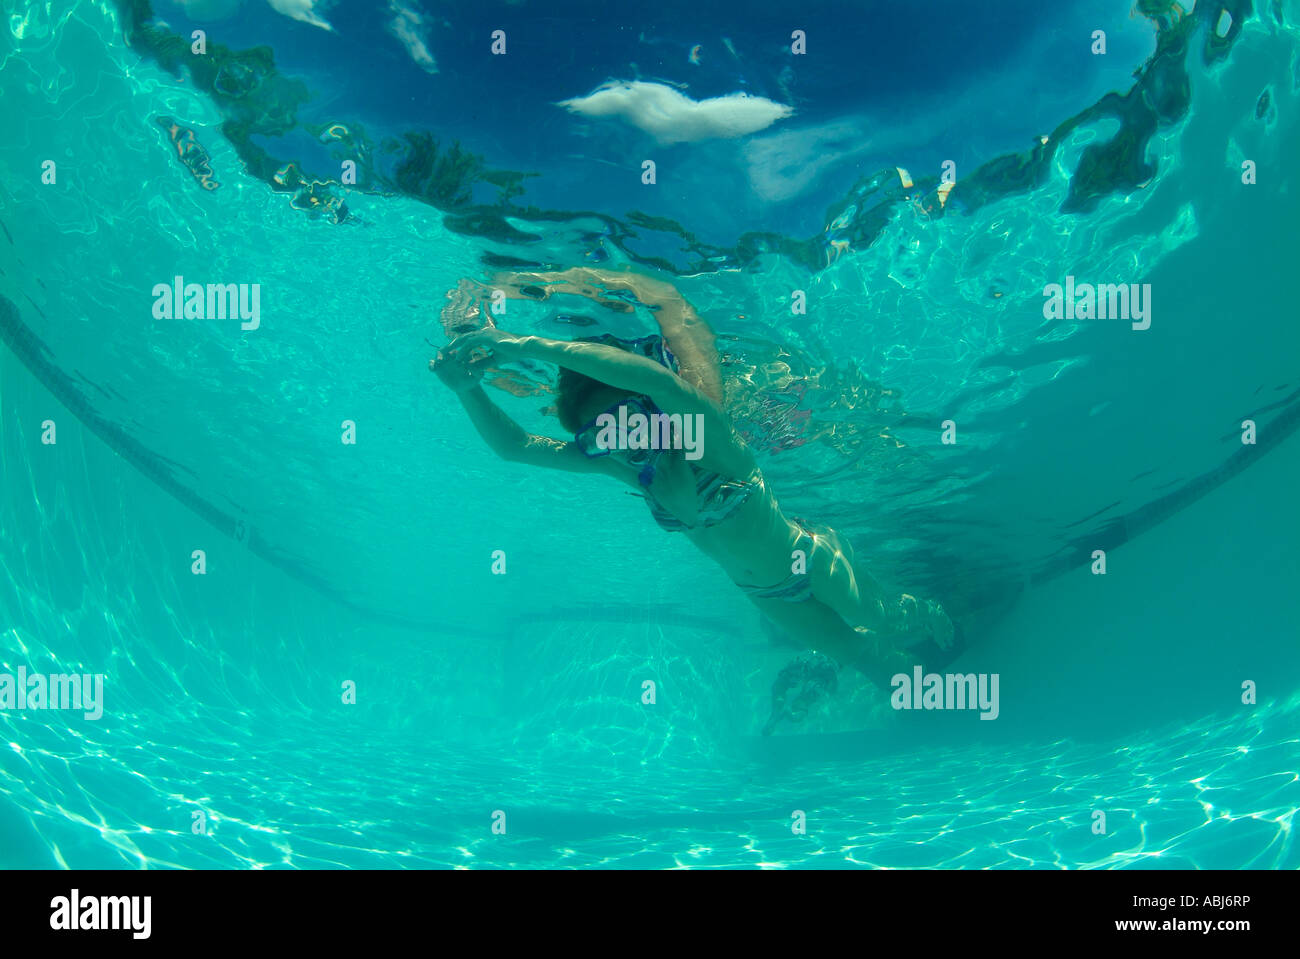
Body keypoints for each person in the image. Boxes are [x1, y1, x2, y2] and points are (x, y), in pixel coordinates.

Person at [431, 267, 957, 730]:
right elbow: (515, 445)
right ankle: (939, 715)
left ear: (654, 411)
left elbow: (650, 376)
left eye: (628, 423)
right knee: (856, 652)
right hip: (767, 594)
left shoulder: (710, 442)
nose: (622, 443)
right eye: (601, 438)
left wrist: (523, 345)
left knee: (885, 620)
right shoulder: (630, 473)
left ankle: (929, 614)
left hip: (813, 559)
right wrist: (466, 390)